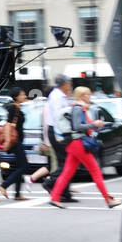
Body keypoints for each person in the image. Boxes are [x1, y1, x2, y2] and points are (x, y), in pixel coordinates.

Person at [48, 86, 122, 209]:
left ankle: (55, 197)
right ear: (82, 96)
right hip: (78, 144)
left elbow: (81, 126)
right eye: (88, 94)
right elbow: (77, 126)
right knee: (95, 171)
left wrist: (97, 125)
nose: (90, 96)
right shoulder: (78, 108)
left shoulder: (78, 107)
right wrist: (93, 124)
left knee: (67, 172)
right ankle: (108, 199)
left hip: (74, 144)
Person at [0, 86, 50, 199]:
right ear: (16, 97)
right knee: (24, 166)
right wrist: (7, 141)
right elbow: (8, 126)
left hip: (19, 140)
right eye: (22, 94)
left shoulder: (18, 106)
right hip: (15, 141)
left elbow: (32, 102)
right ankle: (3, 185)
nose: (24, 96)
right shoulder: (13, 108)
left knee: (19, 166)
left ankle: (17, 194)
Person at [43, 75, 78, 203]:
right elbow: (59, 117)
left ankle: (64, 192)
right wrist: (63, 136)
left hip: (58, 131)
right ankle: (51, 182)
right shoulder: (58, 97)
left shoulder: (59, 95)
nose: (70, 85)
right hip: (58, 131)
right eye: (69, 83)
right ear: (64, 84)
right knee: (66, 161)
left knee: (66, 161)